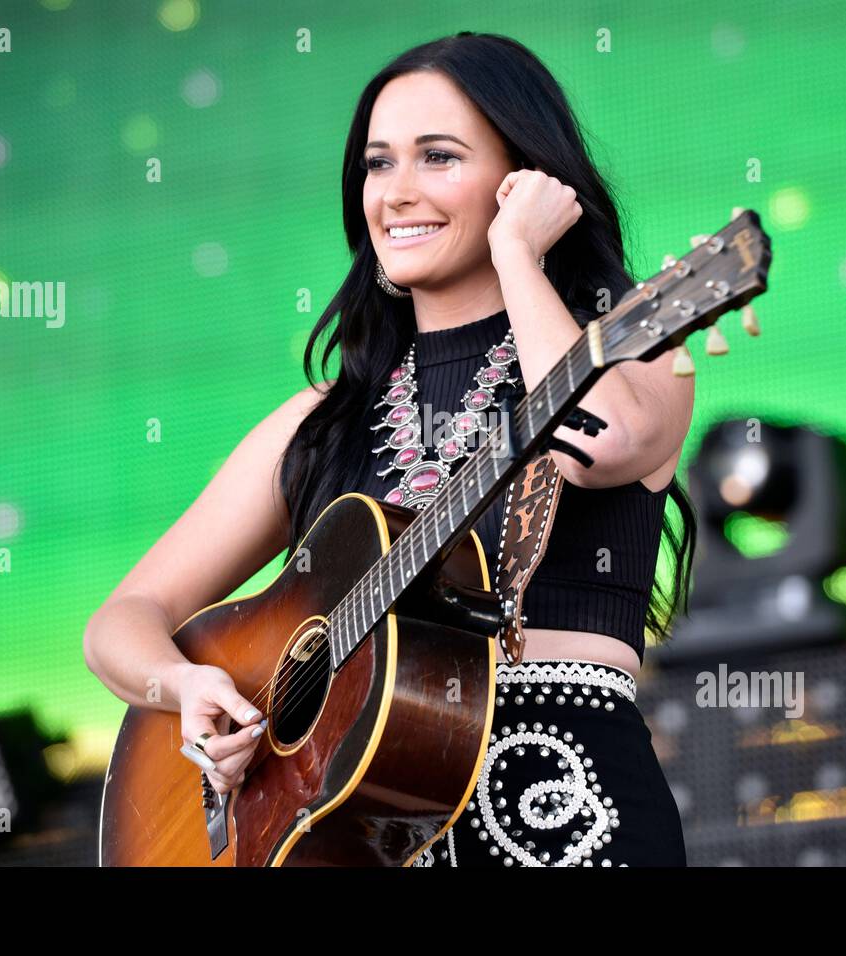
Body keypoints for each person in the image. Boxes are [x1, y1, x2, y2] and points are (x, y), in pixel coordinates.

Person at [84, 31, 696, 867]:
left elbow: (604, 435)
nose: (397, 194)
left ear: (525, 180)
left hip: (564, 813)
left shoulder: (632, 353)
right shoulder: (321, 421)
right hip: (355, 839)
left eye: (438, 158)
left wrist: (519, 254)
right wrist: (192, 688)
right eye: (378, 164)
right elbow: (121, 623)